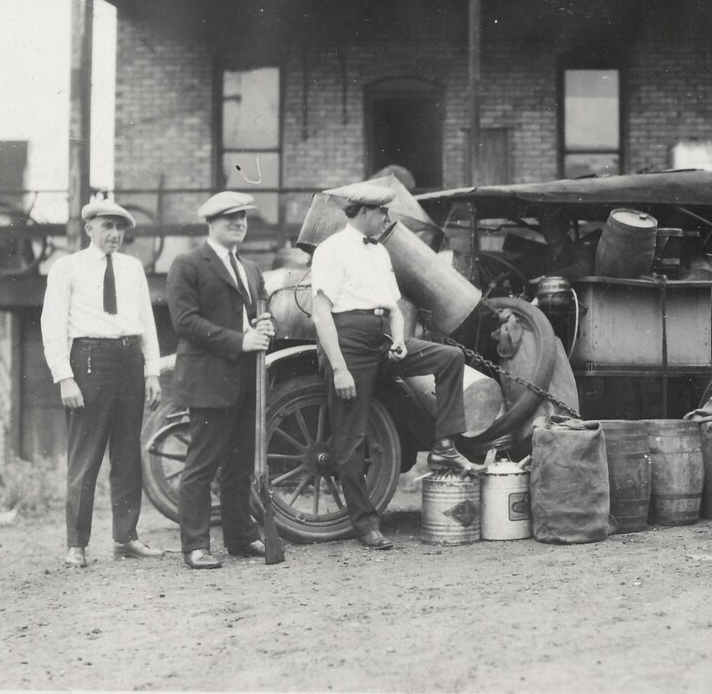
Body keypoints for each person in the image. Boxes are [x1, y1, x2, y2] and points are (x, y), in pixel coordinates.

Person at [311, 182, 478, 551]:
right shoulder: (330, 250)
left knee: (450, 358)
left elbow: (392, 307)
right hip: (348, 341)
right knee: (351, 438)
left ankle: (445, 444)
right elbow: (322, 314)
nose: (387, 218)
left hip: (382, 339)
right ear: (365, 212)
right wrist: (339, 368)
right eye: (383, 212)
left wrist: (400, 338)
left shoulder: (380, 252)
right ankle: (366, 526)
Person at [41, 200, 164, 568]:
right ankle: (76, 543)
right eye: (107, 226)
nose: (114, 234)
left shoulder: (132, 267)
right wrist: (64, 376)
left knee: (127, 454)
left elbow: (146, 319)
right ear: (89, 228)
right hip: (90, 361)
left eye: (120, 228)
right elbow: (52, 323)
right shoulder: (67, 267)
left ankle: (126, 537)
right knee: (86, 455)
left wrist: (152, 369)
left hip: (130, 359)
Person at [166, 191, 275, 569]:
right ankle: (195, 546)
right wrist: (240, 340)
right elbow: (185, 322)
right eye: (230, 218)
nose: (238, 224)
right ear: (210, 223)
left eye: (243, 217)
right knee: (202, 465)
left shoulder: (251, 269)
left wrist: (266, 325)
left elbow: (260, 311)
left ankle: (241, 538)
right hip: (209, 379)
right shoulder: (188, 263)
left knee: (240, 465)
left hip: (247, 379)